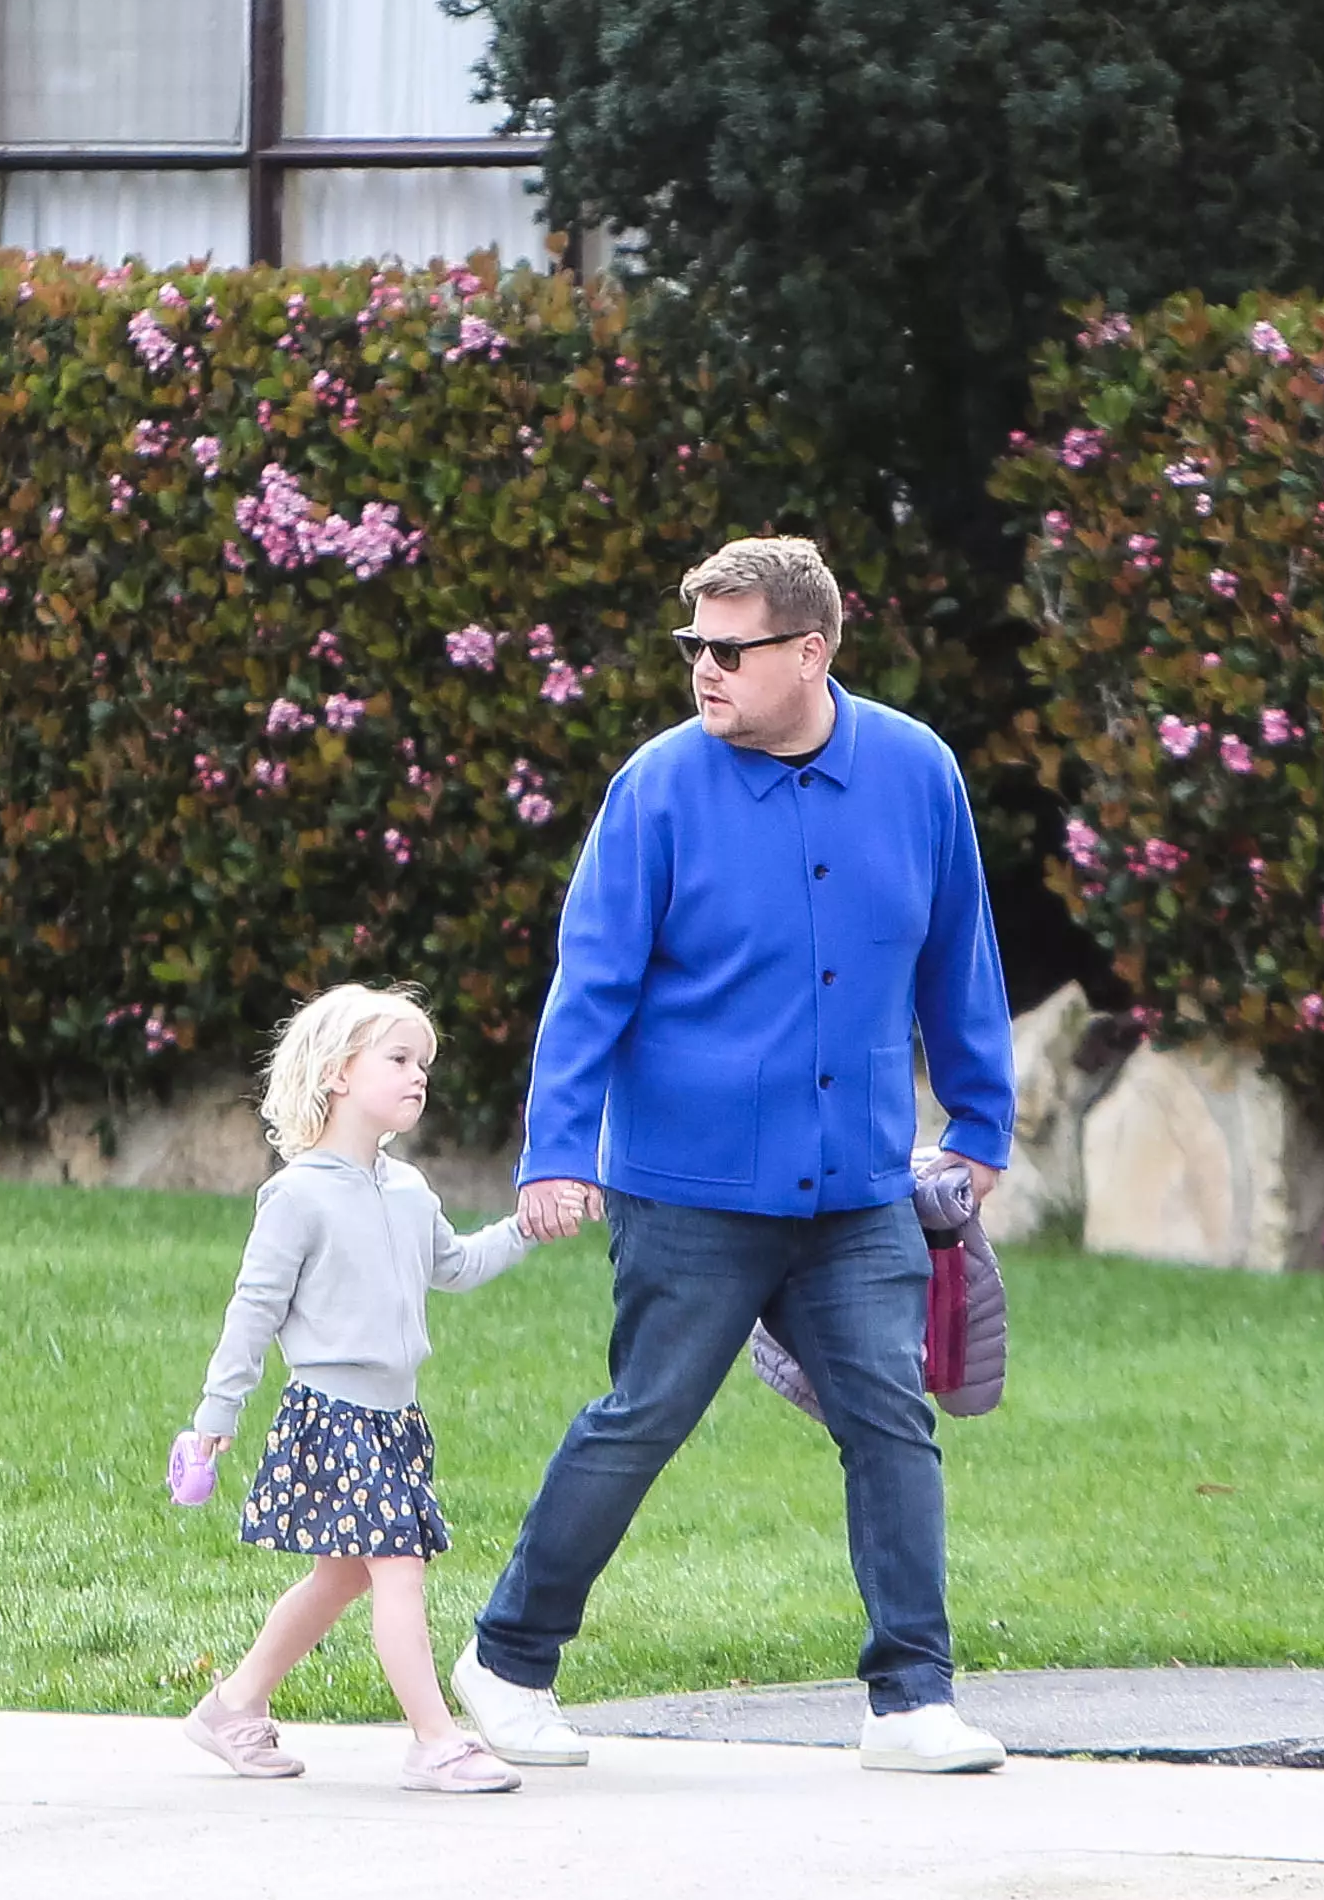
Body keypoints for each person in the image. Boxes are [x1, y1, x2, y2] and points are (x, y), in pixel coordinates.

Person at [452, 535, 1019, 1776]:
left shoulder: (917, 773)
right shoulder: (656, 790)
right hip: (688, 1187)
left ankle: (911, 1699)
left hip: (860, 1186)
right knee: (642, 1416)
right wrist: (556, 1152)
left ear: (810, 651)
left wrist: (979, 1121)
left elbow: (955, 954)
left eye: (729, 647)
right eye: (691, 645)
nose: (702, 669)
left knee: (889, 1425)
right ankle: (504, 1663)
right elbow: (588, 986)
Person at [174, 985, 535, 1795]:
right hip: (332, 1416)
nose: (419, 1077)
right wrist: (215, 1412)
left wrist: (522, 1229)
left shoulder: (408, 1190)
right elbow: (253, 1309)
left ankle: (231, 1705)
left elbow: (456, 1266)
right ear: (338, 1073)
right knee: (398, 1566)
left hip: (395, 1418)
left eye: (425, 1064)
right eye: (399, 1059)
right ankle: (435, 1740)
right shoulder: (296, 1195)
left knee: (341, 1575)